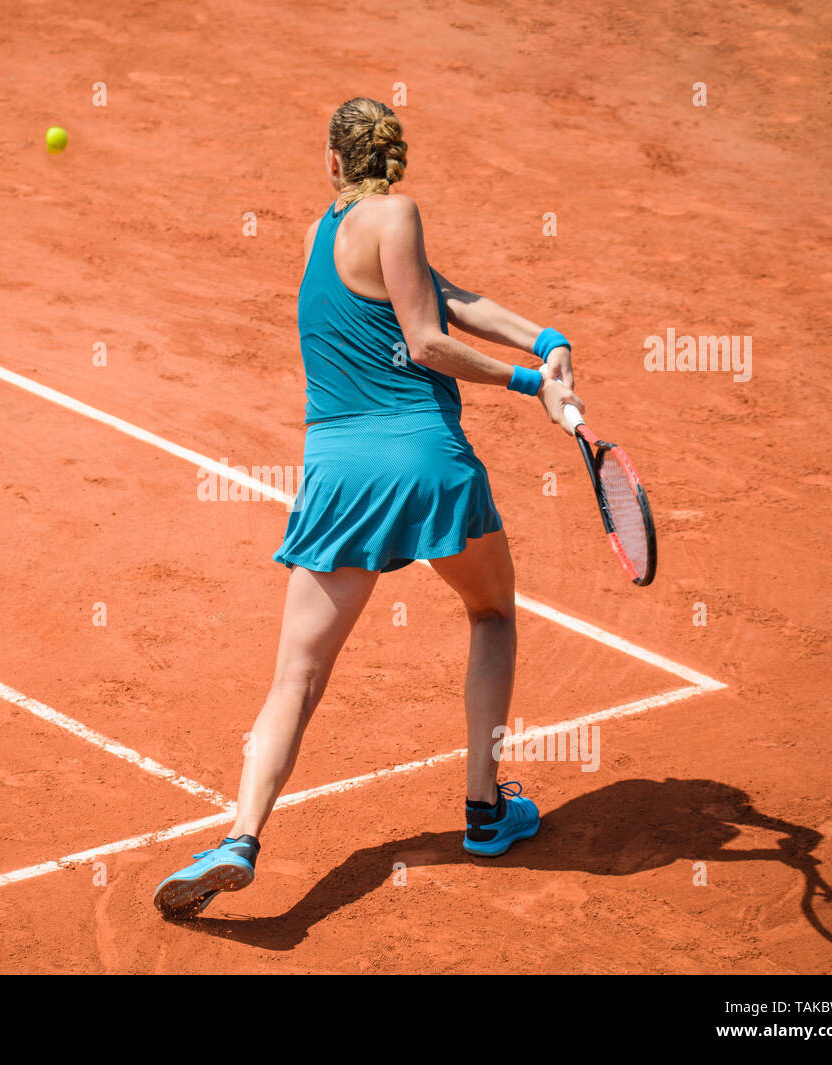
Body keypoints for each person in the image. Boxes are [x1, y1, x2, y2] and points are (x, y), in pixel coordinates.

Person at [153, 97, 583, 919]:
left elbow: (447, 296)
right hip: (427, 466)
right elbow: (426, 340)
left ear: (332, 164)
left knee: (298, 675)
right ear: (397, 161)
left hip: (338, 478)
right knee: (491, 613)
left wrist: (544, 336)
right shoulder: (401, 212)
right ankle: (487, 812)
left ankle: (240, 835)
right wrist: (531, 382)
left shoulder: (330, 230)